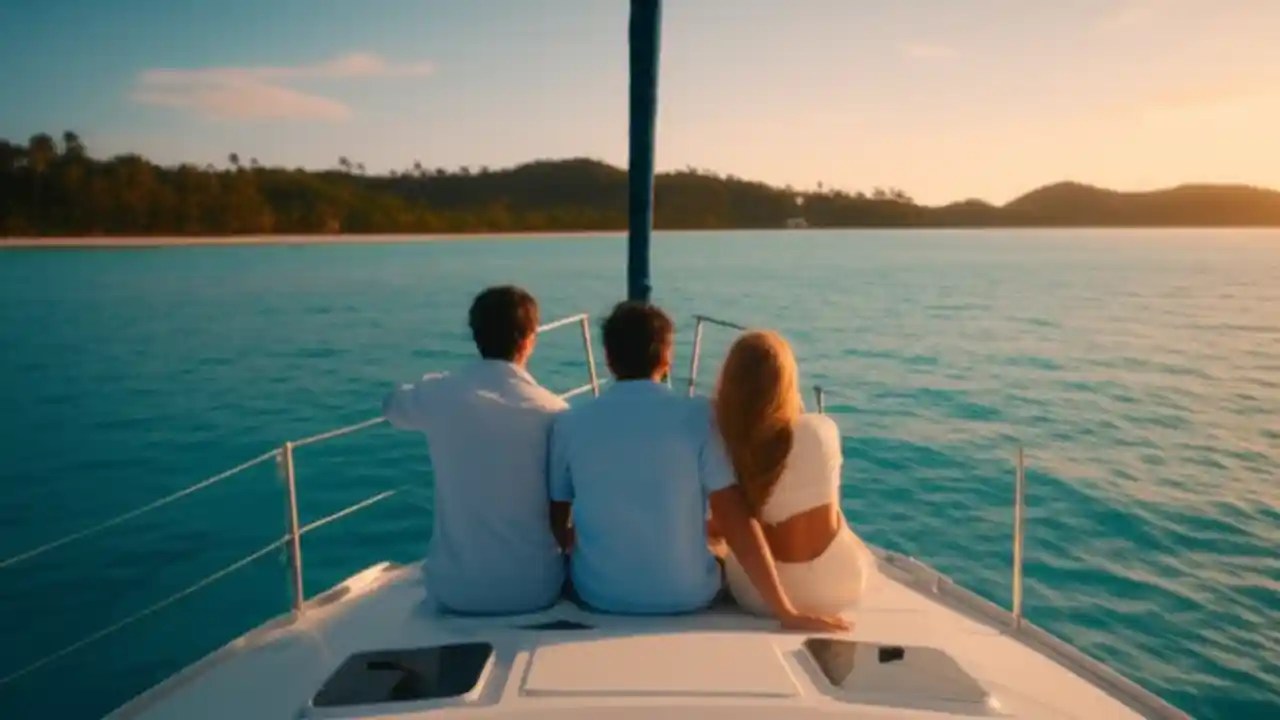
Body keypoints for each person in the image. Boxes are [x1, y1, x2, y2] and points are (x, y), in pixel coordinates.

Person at [549, 301, 849, 632]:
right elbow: (736, 522)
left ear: (607, 358)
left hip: (598, 595)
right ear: (667, 358)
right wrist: (786, 611)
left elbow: (558, 526)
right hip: (688, 596)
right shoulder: (699, 418)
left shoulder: (570, 423)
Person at [383, 286, 565, 614]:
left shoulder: (439, 395)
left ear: (475, 335)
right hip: (535, 590)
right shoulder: (555, 412)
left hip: (455, 591)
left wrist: (430, 382)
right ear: (529, 339)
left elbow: (392, 406)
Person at [713, 330, 870, 617]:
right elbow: (790, 429)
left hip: (755, 595)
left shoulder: (724, 441)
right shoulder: (822, 430)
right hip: (836, 588)